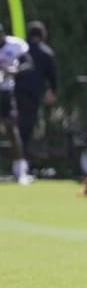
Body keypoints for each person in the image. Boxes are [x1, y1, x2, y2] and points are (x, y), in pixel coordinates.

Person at [13, 20, 58, 171]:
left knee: (16, 127)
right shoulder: (46, 53)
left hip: (16, 93)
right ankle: (22, 162)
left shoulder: (21, 50)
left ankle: (19, 160)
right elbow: (52, 76)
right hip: (33, 95)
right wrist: (52, 90)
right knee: (27, 128)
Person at [0, 23, 34, 185]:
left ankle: (20, 168)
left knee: (12, 129)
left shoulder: (14, 45)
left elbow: (28, 63)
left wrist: (15, 70)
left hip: (6, 92)